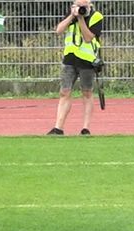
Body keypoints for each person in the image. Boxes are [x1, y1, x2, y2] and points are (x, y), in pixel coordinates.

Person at [49, 0, 103, 135]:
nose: (81, 9)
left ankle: (85, 128)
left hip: (87, 60)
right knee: (64, 92)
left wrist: (81, 19)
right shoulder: (71, 15)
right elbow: (59, 30)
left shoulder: (96, 16)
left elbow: (88, 38)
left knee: (87, 93)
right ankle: (58, 128)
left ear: (90, 5)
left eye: (83, 6)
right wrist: (72, 16)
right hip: (69, 59)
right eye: (78, 6)